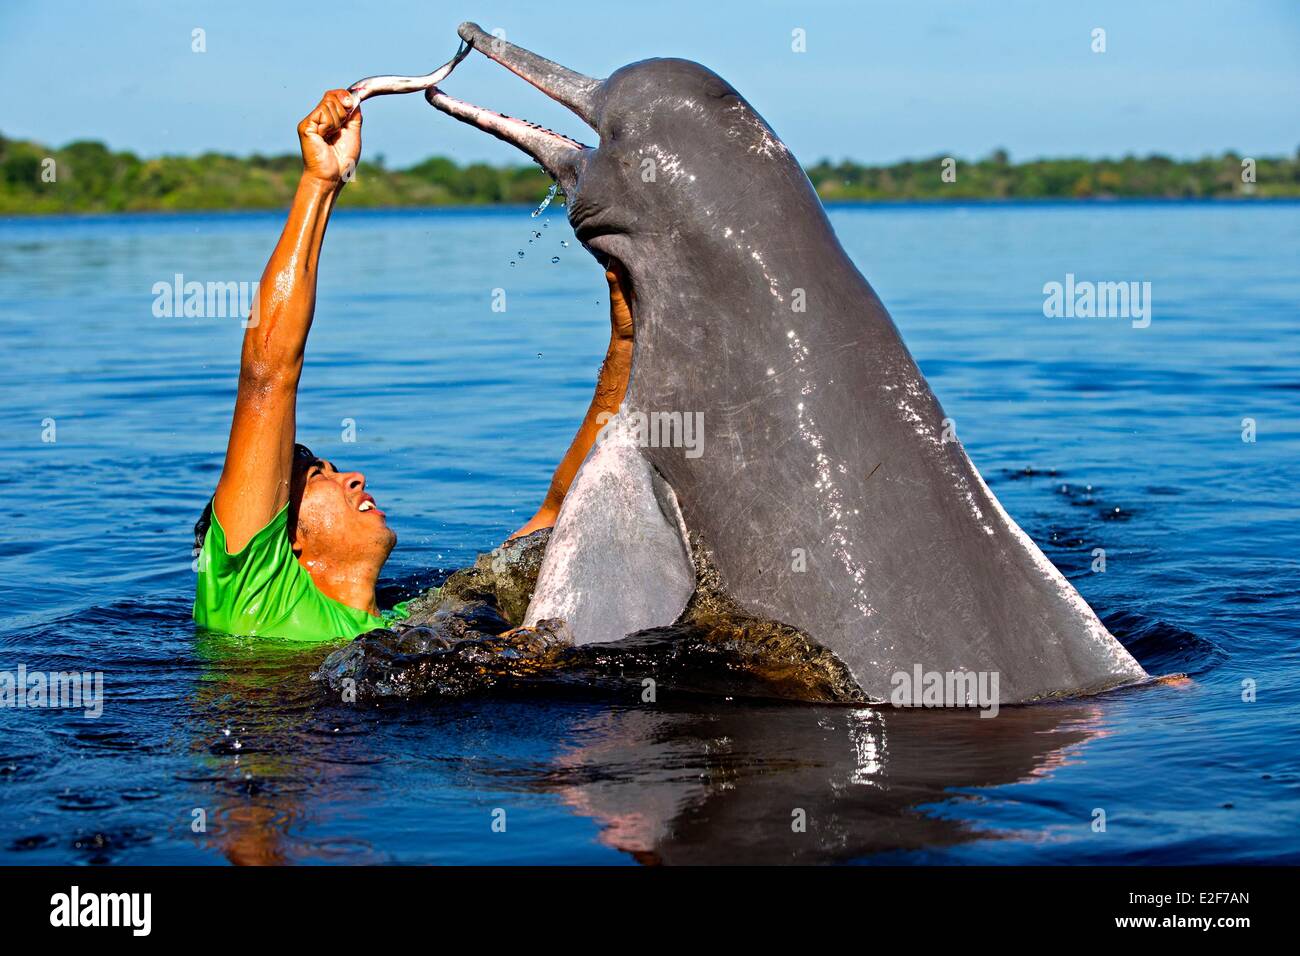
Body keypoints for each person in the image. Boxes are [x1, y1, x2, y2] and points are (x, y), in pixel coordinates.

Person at [193, 90, 633, 642]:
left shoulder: (420, 621)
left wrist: (624, 340)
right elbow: (268, 375)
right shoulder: (251, 597)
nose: (354, 476)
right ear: (284, 540)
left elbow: (563, 515)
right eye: (321, 477)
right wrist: (320, 184)